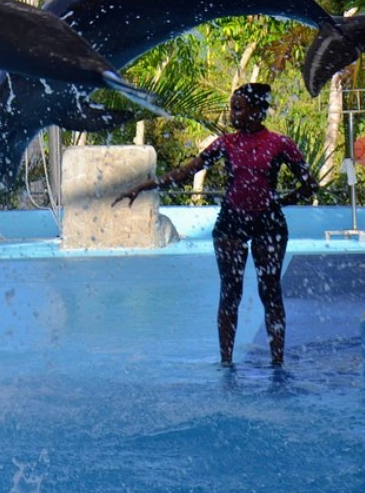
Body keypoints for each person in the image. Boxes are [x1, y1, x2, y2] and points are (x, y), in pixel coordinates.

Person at [113, 83, 317, 368]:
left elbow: (309, 185)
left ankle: (277, 362)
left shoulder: (280, 144)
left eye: (238, 108)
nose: (232, 114)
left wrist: (278, 204)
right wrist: (144, 186)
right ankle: (226, 362)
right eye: (232, 108)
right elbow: (185, 172)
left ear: (256, 110)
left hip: (268, 225)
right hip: (231, 223)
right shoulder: (226, 143)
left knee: (270, 292)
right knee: (230, 293)